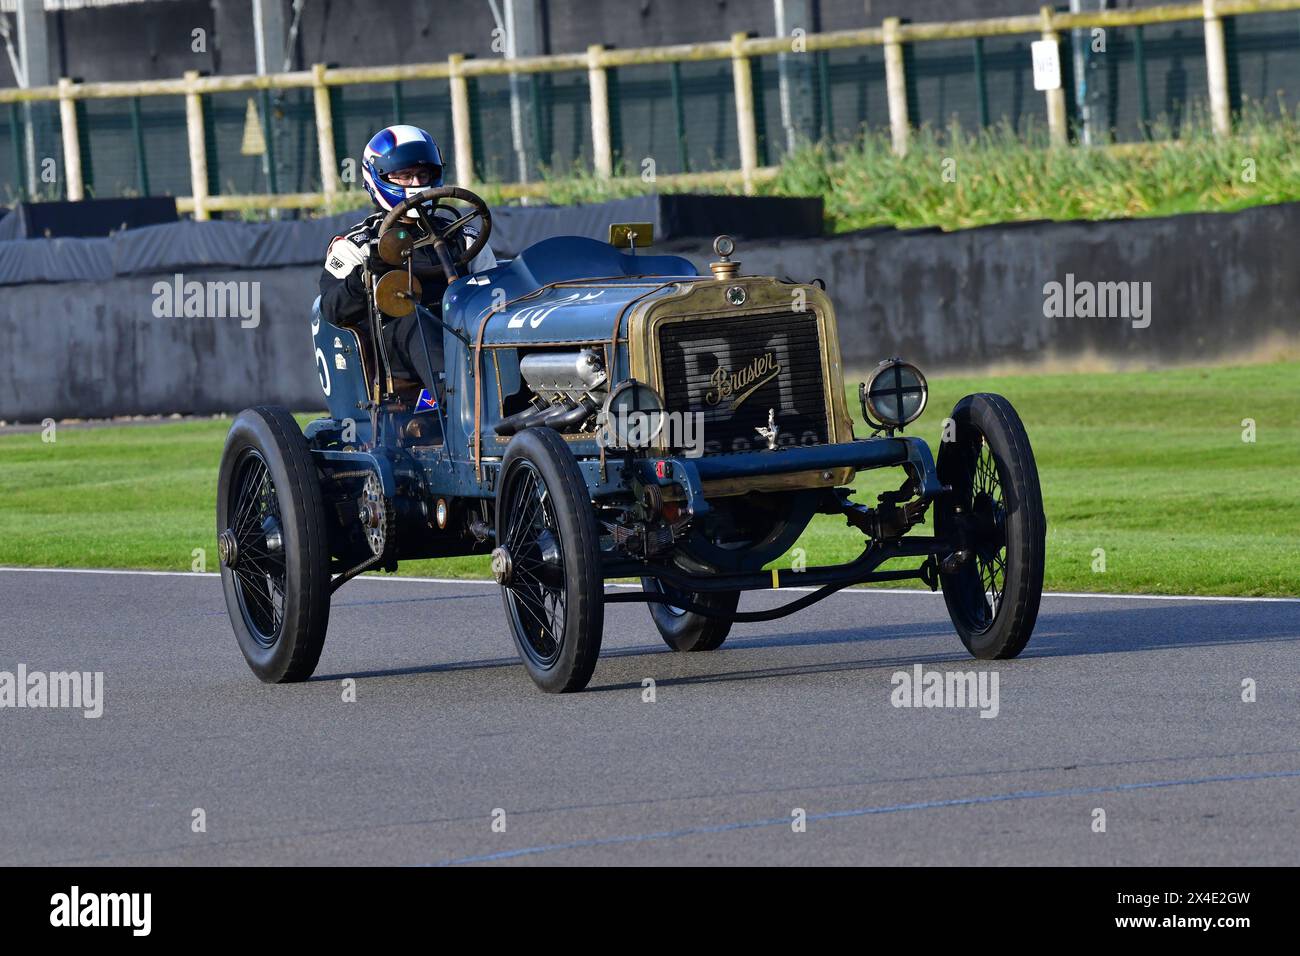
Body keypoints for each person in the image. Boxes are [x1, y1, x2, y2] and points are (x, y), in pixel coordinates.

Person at [319, 124, 495, 394]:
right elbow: (332, 309)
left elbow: (495, 293)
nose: (416, 184)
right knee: (415, 318)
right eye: (405, 176)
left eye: (423, 175)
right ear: (378, 178)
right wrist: (367, 275)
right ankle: (460, 403)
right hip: (396, 349)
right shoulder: (358, 245)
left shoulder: (463, 236)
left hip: (466, 333)